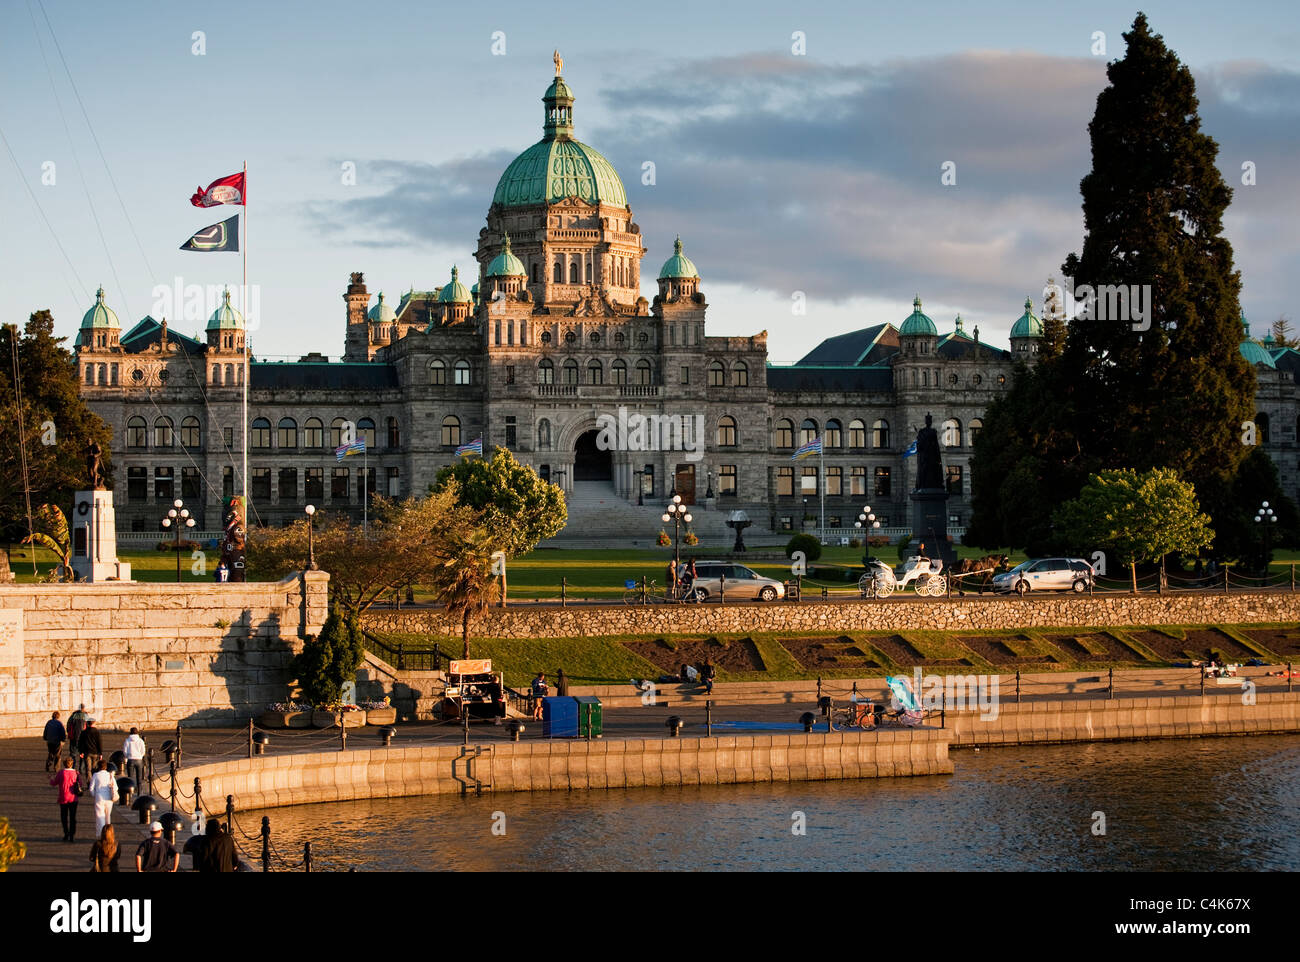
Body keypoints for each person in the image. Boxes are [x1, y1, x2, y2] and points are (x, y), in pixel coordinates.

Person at [49, 756, 81, 843]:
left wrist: (50, 779)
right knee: (73, 817)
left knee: (64, 817)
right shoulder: (76, 773)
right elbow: (80, 784)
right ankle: (72, 834)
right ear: (72, 764)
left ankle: (66, 833)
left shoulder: (61, 773)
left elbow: (54, 783)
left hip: (63, 797)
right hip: (73, 798)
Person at [88, 759, 116, 836]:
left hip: (99, 797)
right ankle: (109, 833)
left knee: (100, 816)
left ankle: (101, 833)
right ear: (106, 767)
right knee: (108, 816)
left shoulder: (96, 775)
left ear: (98, 767)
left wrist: (94, 794)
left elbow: (91, 788)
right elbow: (115, 787)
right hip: (109, 798)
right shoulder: (110, 775)